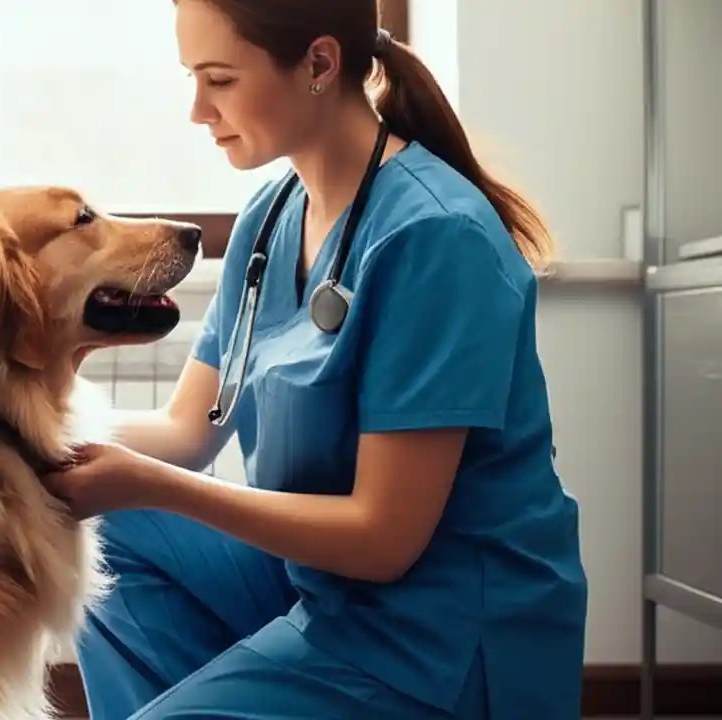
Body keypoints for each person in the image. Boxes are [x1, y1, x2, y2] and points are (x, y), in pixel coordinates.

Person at [40, 0, 589, 717]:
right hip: (326, 590)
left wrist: (145, 482)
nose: (197, 110)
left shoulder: (436, 237)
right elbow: (188, 432)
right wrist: (13, 432)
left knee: (135, 507)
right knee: (101, 523)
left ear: (321, 65)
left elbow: (384, 538)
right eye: (191, 78)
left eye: (220, 80)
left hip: (443, 633)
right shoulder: (270, 220)